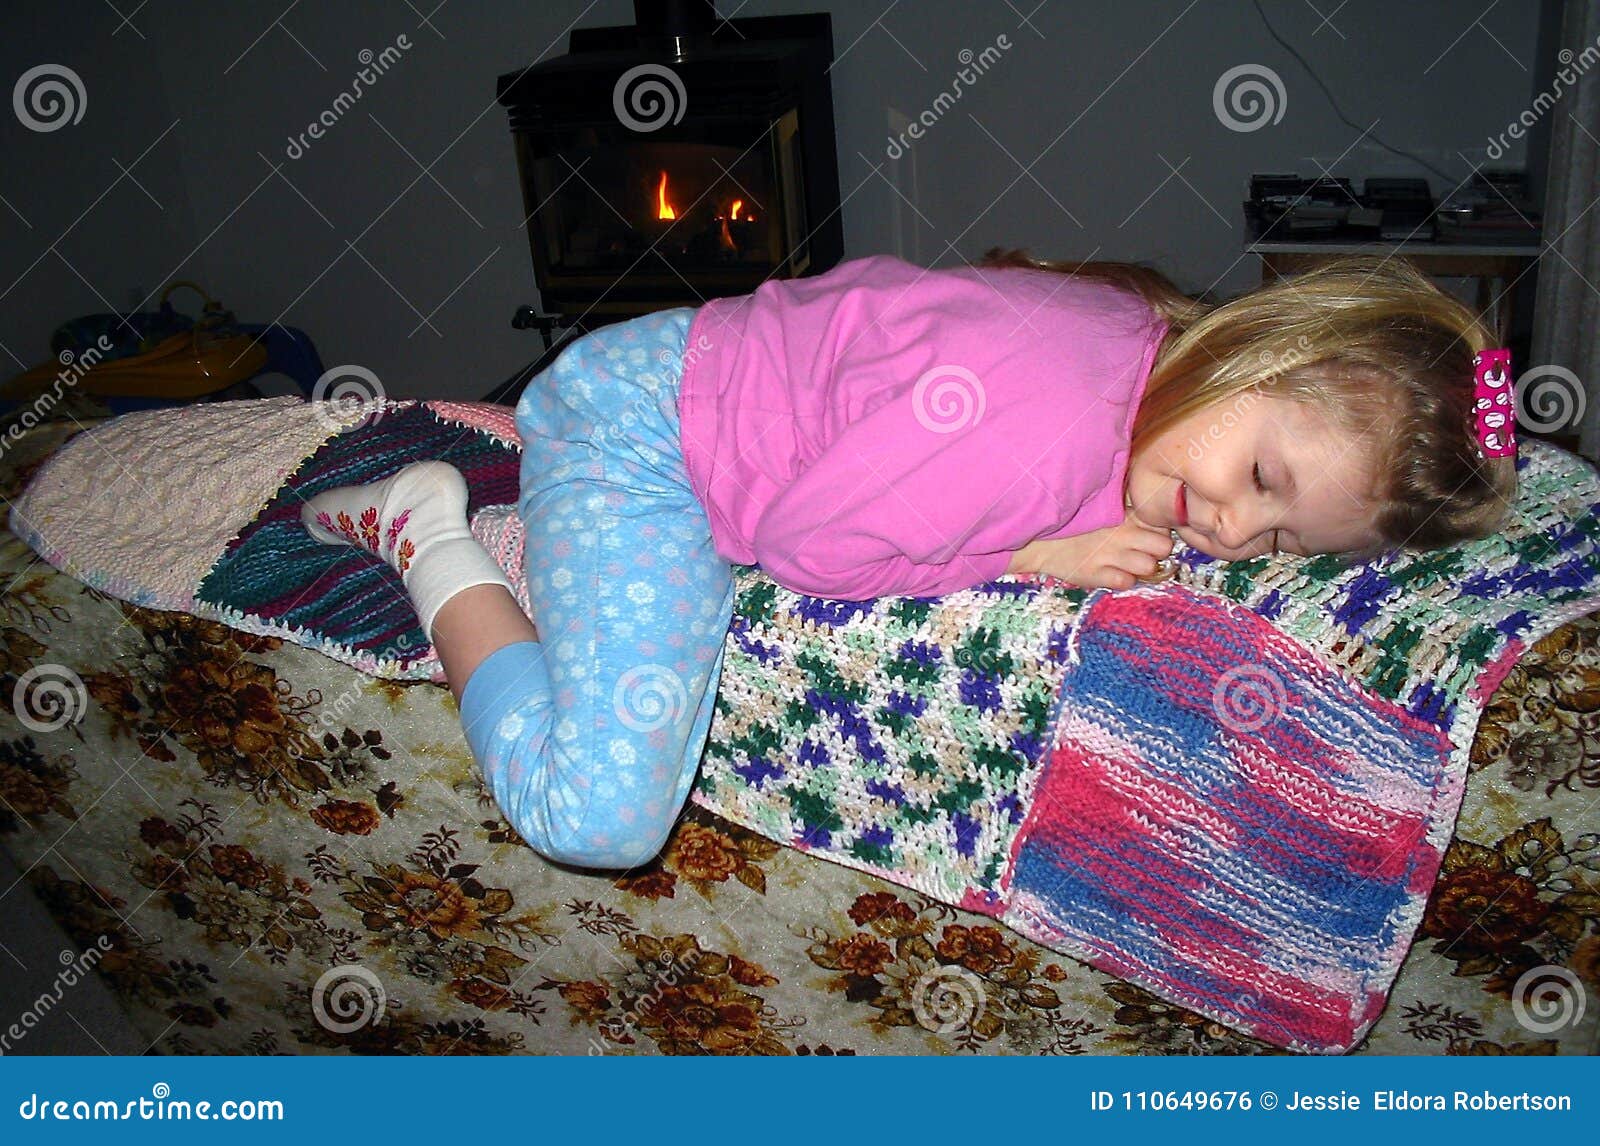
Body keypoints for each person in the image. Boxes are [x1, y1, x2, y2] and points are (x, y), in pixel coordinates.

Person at [299, 251, 1516, 868]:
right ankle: (427, 533)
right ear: (1255, 349)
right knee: (598, 816)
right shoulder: (1040, 420)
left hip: (690, 372)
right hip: (640, 435)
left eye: (1288, 537)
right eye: (1262, 483)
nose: (1241, 536)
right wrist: (1031, 547)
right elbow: (802, 547)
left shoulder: (1149, 379)